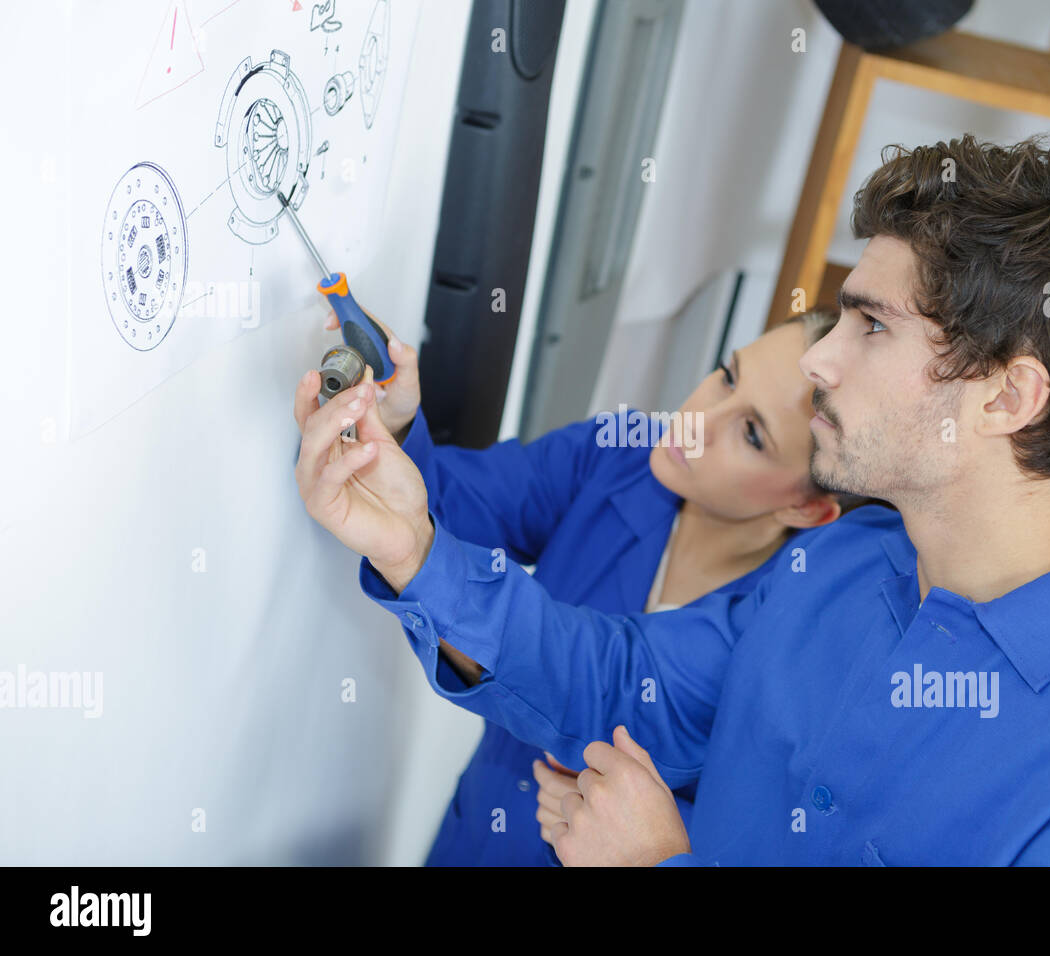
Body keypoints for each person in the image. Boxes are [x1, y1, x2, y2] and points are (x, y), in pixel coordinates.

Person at [295, 135, 1050, 865]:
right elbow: (622, 685)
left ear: (1007, 395)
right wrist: (417, 548)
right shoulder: (838, 563)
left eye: (871, 327)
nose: (821, 362)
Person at [304, 308, 863, 865]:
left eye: (750, 433)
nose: (698, 421)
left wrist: (655, 834)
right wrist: (394, 426)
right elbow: (442, 512)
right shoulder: (618, 456)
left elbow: (772, 829)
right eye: (728, 375)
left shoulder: (794, 638)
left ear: (807, 507)